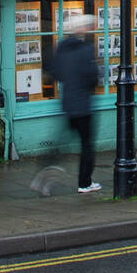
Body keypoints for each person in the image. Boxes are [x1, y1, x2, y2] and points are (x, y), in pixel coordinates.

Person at [52, 14, 101, 192]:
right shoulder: (86, 49)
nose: (90, 29)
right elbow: (93, 76)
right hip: (83, 104)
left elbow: (56, 73)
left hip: (68, 102)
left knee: (63, 140)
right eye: (88, 26)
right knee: (87, 144)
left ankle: (47, 168)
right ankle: (85, 182)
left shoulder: (62, 47)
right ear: (83, 29)